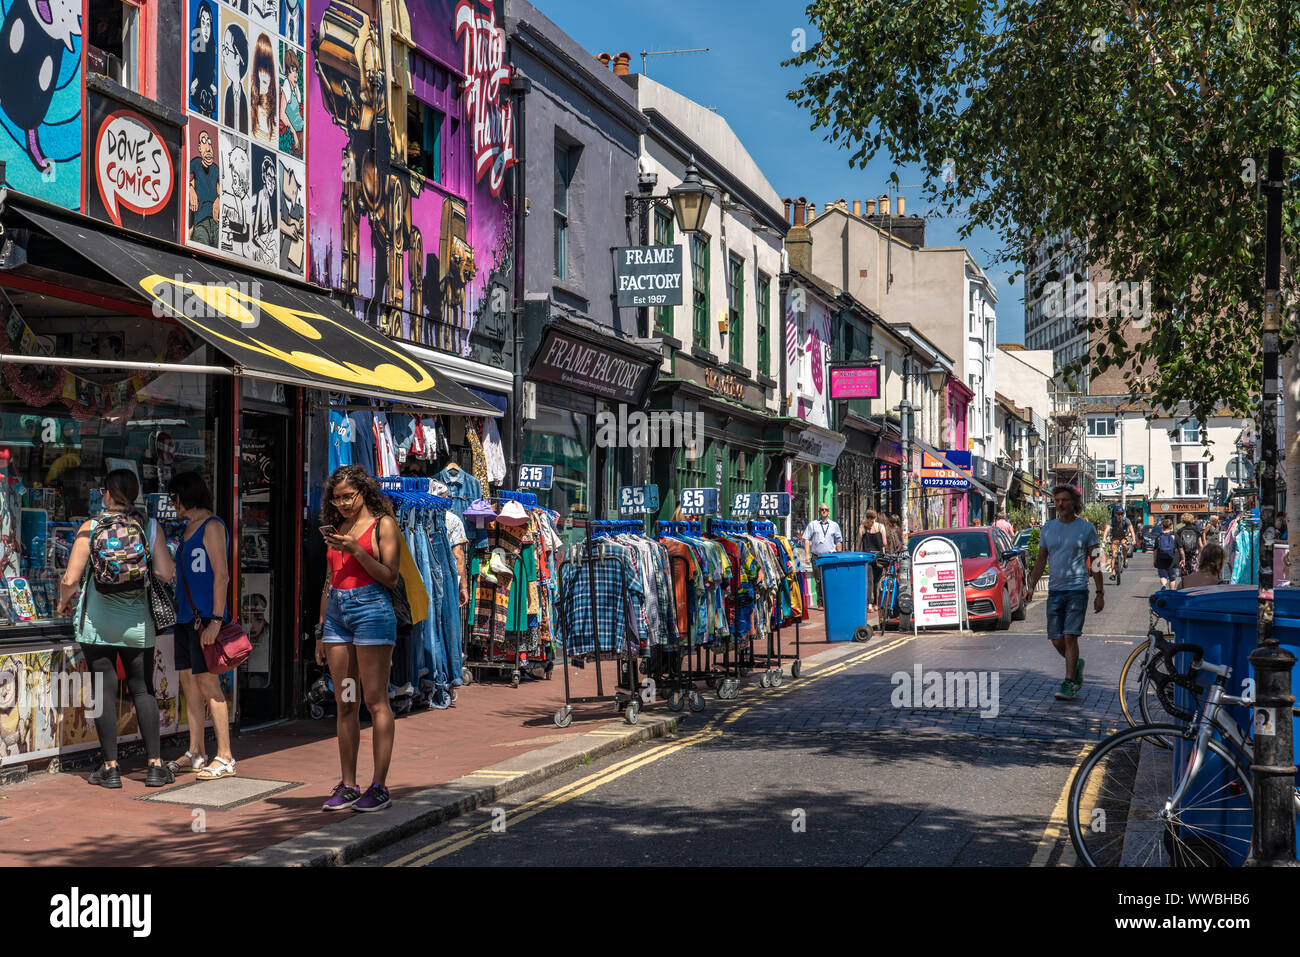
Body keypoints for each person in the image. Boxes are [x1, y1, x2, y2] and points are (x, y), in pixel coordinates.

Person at [57, 468, 176, 788]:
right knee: (142, 689)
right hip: (138, 625)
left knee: (103, 693)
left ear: (107, 494)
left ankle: (110, 768)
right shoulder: (150, 527)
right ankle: (154, 766)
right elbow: (166, 572)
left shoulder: (91, 527)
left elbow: (70, 580)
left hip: (96, 624)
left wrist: (62, 602)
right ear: (135, 494)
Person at [315, 466, 401, 812]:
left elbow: (391, 577)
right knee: (346, 700)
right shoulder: (337, 529)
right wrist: (321, 628)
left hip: (371, 613)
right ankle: (348, 784)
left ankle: (379, 786)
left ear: (363, 492)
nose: (342, 504)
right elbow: (328, 579)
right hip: (338, 618)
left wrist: (358, 551)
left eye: (347, 496)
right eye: (336, 499)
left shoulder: (384, 525)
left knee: (375, 700)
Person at [167, 471, 236, 780]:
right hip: (185, 618)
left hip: (206, 619)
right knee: (188, 682)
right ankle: (196, 751)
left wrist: (217, 621)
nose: (172, 503)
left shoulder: (212, 526)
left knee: (208, 683)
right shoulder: (187, 529)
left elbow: (222, 574)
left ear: (185, 496)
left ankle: (225, 756)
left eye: (174, 497)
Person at [1025, 485, 1104, 701]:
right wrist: (1031, 586)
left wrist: (1100, 591)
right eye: (1058, 500)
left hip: (1077, 588)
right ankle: (1076, 664)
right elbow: (1041, 559)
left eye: (1065, 500)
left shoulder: (1086, 529)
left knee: (1070, 636)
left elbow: (1096, 560)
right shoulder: (1048, 528)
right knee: (1056, 638)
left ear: (1074, 502)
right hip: (1055, 590)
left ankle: (1069, 681)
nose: (1061, 504)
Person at [801, 503, 843, 609]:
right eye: (822, 509)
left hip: (830, 556)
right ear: (819, 512)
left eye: (826, 509)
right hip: (817, 556)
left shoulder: (834, 525)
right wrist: (807, 554)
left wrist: (840, 555)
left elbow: (838, 541)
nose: (824, 511)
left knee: (830, 579)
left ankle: (830, 600)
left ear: (829, 512)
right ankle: (820, 603)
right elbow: (806, 539)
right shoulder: (813, 524)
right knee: (819, 580)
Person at [858, 509, 887, 612]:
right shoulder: (880, 527)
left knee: (869, 580)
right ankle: (876, 605)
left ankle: (869, 604)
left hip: (867, 557)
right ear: (875, 517)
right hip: (878, 557)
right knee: (876, 580)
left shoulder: (862, 527)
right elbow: (884, 542)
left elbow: (859, 544)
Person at [1102, 505, 1133, 577]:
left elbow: (1132, 530)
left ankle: (1125, 559)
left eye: (1121, 514)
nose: (1120, 515)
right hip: (1115, 538)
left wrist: (1134, 540)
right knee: (1113, 555)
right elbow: (1106, 530)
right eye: (1118, 514)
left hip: (1123, 537)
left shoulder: (1126, 521)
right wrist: (1104, 538)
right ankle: (1113, 573)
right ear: (1115, 514)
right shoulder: (1112, 521)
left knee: (1124, 545)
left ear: (1123, 514)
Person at [1175, 512, 1202, 579]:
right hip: (1194, 553)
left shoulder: (1180, 531)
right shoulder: (1196, 530)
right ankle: (1192, 585)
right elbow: (1200, 543)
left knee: (1184, 571)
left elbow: (1179, 545)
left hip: (1184, 553)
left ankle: (1185, 585)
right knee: (1194, 571)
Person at [1153, 517, 1179, 588]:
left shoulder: (1159, 537)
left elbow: (1155, 550)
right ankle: (1171, 593)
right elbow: (1181, 549)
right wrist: (1183, 558)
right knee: (1172, 579)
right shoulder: (1175, 536)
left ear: (1163, 526)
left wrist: (1155, 560)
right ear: (1171, 526)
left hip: (1161, 559)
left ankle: (1164, 584)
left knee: (1163, 576)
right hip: (1173, 561)